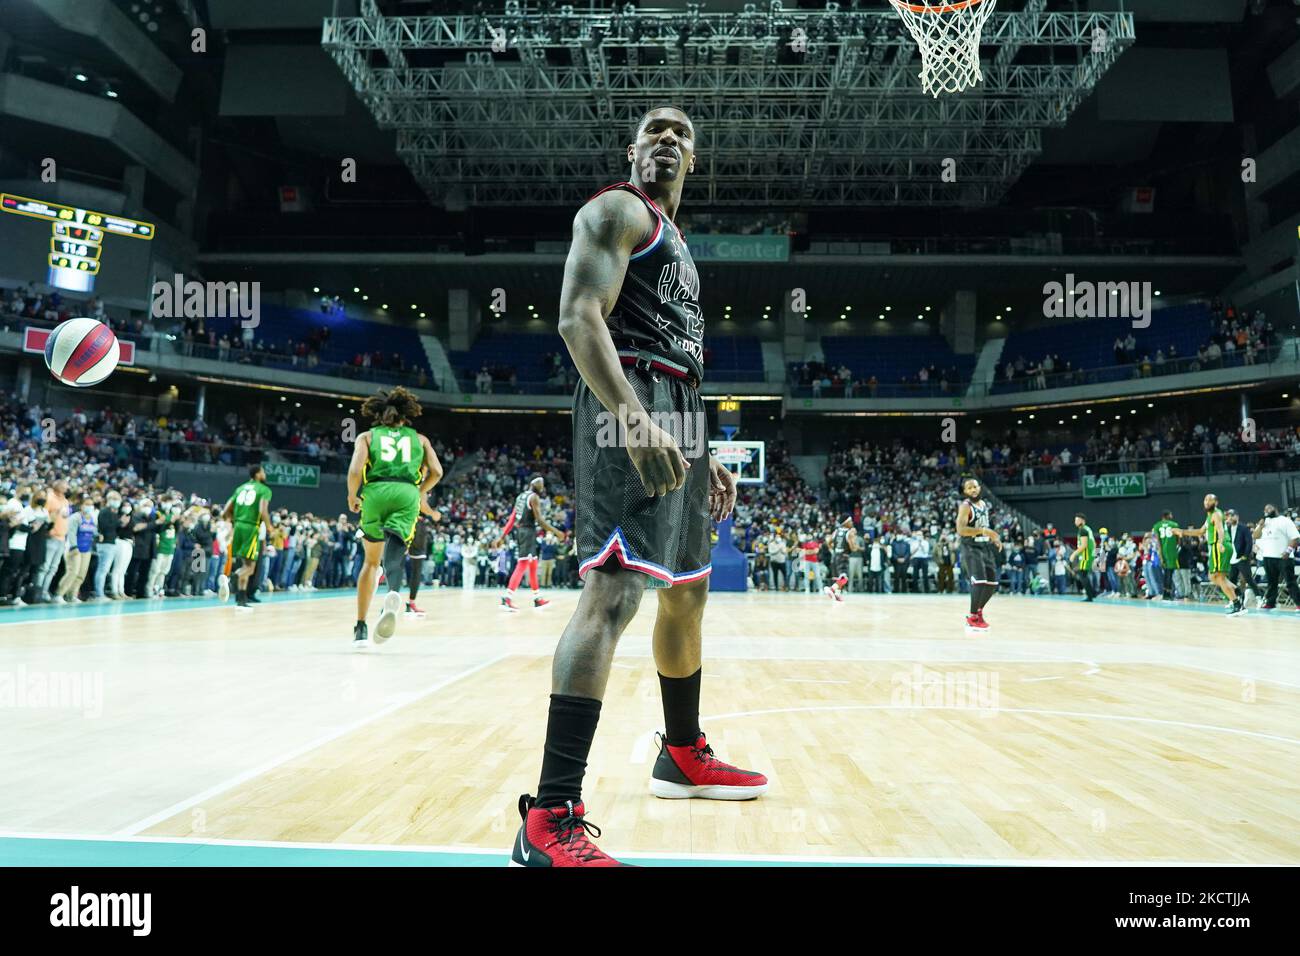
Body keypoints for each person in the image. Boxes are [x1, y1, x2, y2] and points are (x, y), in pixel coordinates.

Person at [512, 106, 767, 869]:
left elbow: (675, 355)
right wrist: (633, 419)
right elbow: (577, 316)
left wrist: (703, 448)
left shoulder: (678, 242)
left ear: (695, 158)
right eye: (654, 129)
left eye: (683, 132)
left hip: (676, 406)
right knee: (614, 592)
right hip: (627, 400)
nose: (667, 139)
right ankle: (549, 816)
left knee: (687, 591)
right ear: (633, 149)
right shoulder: (618, 209)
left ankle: (681, 754)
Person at [346, 386, 443, 648]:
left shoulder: (366, 436)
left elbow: (356, 470)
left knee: (370, 562)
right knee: (398, 545)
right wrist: (418, 492)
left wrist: (352, 496)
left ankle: (361, 627)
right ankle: (392, 593)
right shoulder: (420, 439)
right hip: (406, 493)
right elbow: (436, 471)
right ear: (406, 415)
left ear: (377, 415)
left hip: (376, 492)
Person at [498, 475, 566, 612]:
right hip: (528, 532)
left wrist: (502, 536)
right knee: (523, 564)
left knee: (533, 564)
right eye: (541, 484)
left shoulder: (520, 497)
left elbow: (512, 519)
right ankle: (507, 598)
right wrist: (556, 532)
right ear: (535, 484)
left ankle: (537, 599)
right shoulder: (534, 497)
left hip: (522, 532)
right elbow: (540, 520)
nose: (543, 487)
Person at [1174, 493, 1243, 615]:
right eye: (1205, 500)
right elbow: (1200, 532)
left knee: (1220, 577)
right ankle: (1237, 591)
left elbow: (1220, 530)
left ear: (1216, 503)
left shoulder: (1216, 514)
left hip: (1219, 545)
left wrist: (1220, 543)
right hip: (1218, 546)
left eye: (1210, 500)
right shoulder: (1210, 515)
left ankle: (1237, 604)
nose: (1206, 502)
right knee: (1212, 577)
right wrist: (1182, 531)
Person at [220, 465, 272, 612]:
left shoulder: (240, 488)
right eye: (263, 472)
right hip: (251, 527)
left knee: (245, 564)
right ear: (257, 474)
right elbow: (263, 510)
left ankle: (241, 601)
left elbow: (225, 511)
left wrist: (233, 520)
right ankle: (230, 579)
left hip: (238, 527)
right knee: (250, 568)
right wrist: (270, 528)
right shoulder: (264, 489)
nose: (265, 474)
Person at [955, 475, 1000, 633]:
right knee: (980, 581)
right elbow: (961, 530)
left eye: (975, 486)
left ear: (979, 488)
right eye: (969, 488)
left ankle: (978, 612)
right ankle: (972, 617)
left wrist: (993, 538)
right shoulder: (965, 506)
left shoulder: (983, 504)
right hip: (970, 546)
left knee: (992, 583)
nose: (973, 490)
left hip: (984, 546)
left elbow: (986, 527)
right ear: (965, 491)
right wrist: (984, 531)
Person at [1252, 504, 1299, 610]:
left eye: (1269, 508)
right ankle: (1270, 603)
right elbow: (1255, 536)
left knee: (1290, 582)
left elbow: (1295, 538)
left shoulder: (1285, 521)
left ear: (1275, 509)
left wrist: (1288, 551)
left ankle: (1299, 603)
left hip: (1284, 557)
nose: (1267, 511)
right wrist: (1260, 526)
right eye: (1265, 509)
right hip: (1268, 557)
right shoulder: (1264, 522)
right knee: (1271, 583)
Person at [1150, 510, 1181, 600]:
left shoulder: (1157, 526)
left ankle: (1165, 593)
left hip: (1163, 552)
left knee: (1166, 573)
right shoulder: (1174, 525)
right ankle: (1168, 594)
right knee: (1170, 574)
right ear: (1167, 515)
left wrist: (1160, 555)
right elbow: (1178, 540)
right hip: (1172, 552)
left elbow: (1158, 542)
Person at [823, 516, 855, 602]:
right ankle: (831, 589)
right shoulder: (849, 533)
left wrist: (833, 549)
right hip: (844, 557)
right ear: (845, 522)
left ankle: (837, 594)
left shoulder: (836, 531)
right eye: (850, 521)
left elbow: (828, 541)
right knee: (844, 578)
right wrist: (855, 546)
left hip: (835, 556)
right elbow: (852, 548)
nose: (852, 523)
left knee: (839, 578)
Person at [1069, 513, 1098, 602]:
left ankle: (1090, 596)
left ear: (1082, 520)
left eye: (1077, 520)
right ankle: (1092, 593)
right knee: (1084, 574)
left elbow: (1084, 545)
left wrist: (1073, 554)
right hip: (1089, 553)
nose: (1075, 522)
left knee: (1082, 575)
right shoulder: (1088, 529)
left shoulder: (1082, 530)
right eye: (1075, 520)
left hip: (1086, 554)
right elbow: (1094, 543)